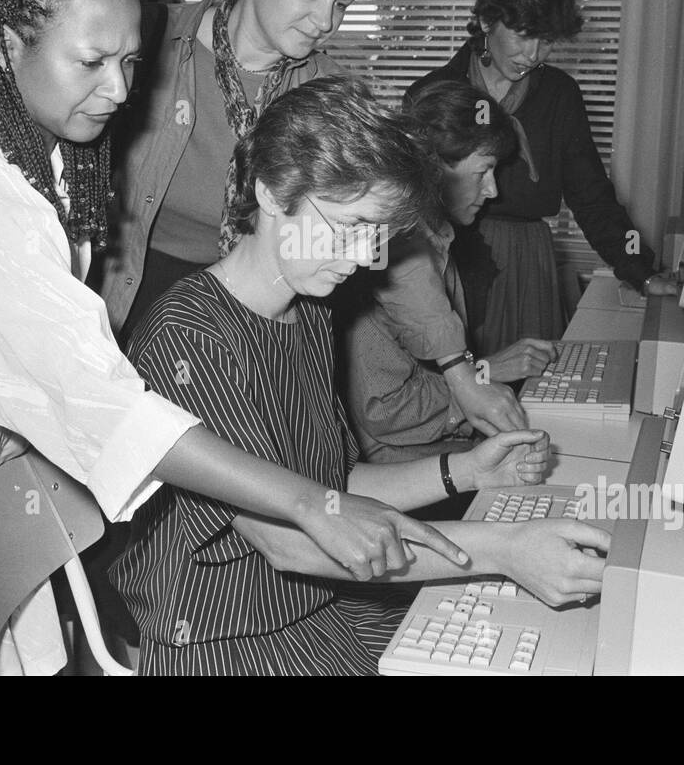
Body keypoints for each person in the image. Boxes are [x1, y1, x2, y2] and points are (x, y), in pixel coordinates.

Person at [0, 0, 465, 676]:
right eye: (92, 61)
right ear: (10, 44)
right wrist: (311, 502)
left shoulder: (18, 136)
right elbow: (112, 410)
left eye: (130, 62)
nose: (117, 89)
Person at [112, 78, 610, 675]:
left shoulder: (310, 311)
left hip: (317, 605)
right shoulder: (188, 337)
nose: (360, 257)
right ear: (272, 192)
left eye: (376, 235)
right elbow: (292, 541)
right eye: (349, 226)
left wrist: (467, 470)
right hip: (224, 636)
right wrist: (502, 551)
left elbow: (334, 485)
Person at [98, 0, 525, 438]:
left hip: (265, 317)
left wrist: (458, 371)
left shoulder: (326, 92)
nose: (326, 21)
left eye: (341, 2)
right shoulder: (145, 46)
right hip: (139, 299)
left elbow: (393, 241)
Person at [407, 0, 677, 356]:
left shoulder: (559, 95)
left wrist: (645, 274)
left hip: (524, 266)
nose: (533, 54)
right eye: (523, 35)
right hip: (444, 262)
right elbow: (406, 203)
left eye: (546, 40)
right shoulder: (432, 94)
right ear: (486, 20)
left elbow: (592, 199)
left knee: (528, 396)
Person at [340, 81, 561, 461]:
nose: (493, 191)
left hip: (435, 444)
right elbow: (385, 410)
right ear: (435, 169)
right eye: (484, 172)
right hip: (393, 467)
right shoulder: (389, 257)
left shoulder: (439, 239)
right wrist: (486, 372)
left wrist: (484, 372)